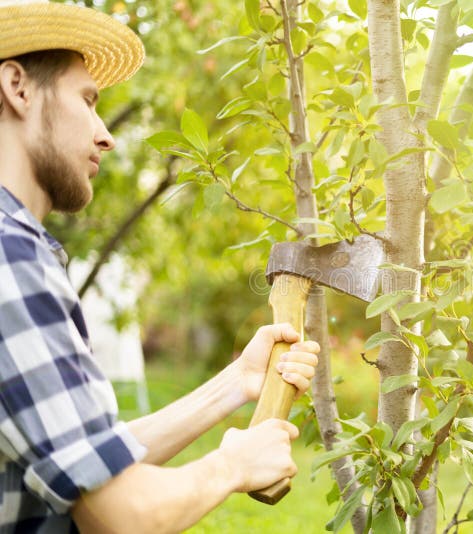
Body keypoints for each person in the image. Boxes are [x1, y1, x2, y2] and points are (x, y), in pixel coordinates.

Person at [0, 0, 320, 531]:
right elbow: (121, 511)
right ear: (18, 87)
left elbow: (90, 459)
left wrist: (237, 382)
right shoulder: (12, 255)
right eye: (87, 100)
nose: (106, 134)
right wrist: (233, 465)